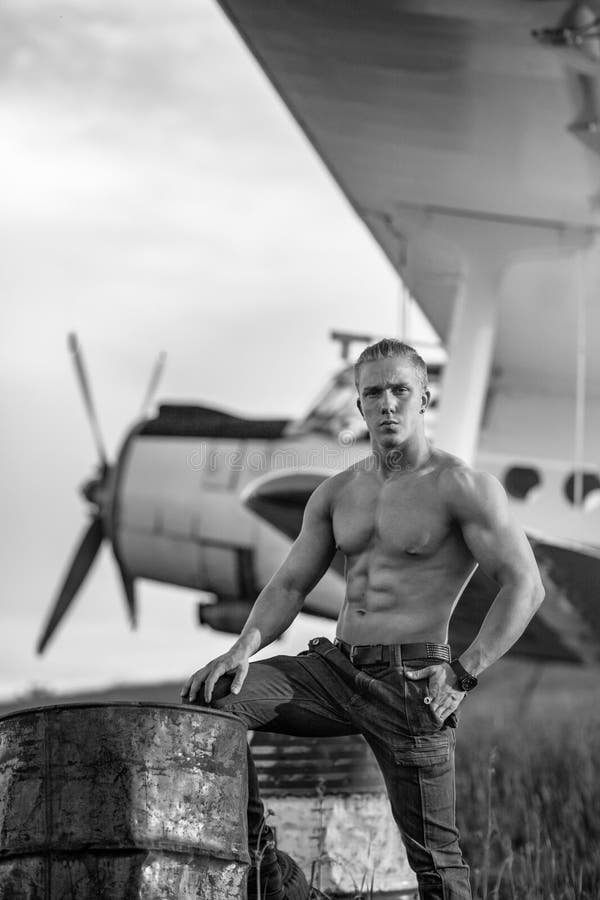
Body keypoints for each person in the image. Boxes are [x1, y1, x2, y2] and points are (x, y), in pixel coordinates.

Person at [181, 339, 544, 900]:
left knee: (438, 867)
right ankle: (270, 875)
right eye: (374, 393)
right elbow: (290, 585)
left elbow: (526, 585)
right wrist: (241, 649)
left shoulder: (462, 487)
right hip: (334, 670)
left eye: (401, 391)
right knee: (214, 702)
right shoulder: (337, 492)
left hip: (413, 684)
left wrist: (464, 672)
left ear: (425, 398)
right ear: (359, 405)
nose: (388, 405)